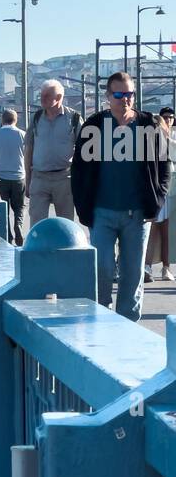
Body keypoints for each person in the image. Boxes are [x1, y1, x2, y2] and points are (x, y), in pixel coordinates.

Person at [70, 71, 170, 322]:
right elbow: (79, 170)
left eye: (129, 94)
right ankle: (101, 317)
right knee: (102, 268)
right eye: (119, 94)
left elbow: (164, 167)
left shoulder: (149, 124)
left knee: (132, 273)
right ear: (108, 96)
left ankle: (128, 323)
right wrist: (84, 207)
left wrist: (157, 199)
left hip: (137, 214)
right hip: (102, 212)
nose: (125, 99)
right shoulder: (93, 126)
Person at [24, 79, 81, 227]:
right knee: (36, 224)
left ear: (59, 97)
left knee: (66, 225)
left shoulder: (73, 118)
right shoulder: (36, 118)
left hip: (64, 178)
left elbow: (84, 150)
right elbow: (29, 149)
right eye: (42, 95)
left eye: (47, 96)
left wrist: (80, 180)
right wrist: (28, 181)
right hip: (39, 177)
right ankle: (37, 250)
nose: (42, 99)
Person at [0, 109, 27, 245]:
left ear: (2, 120)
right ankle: (19, 226)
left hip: (1, 177)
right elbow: (28, 158)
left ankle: (8, 235)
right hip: (19, 177)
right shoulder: (23, 135)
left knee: (3, 209)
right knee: (19, 207)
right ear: (15, 120)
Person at [147, 106, 176, 283]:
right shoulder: (153, 140)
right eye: (165, 117)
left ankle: (166, 267)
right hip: (160, 191)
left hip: (171, 190)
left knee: (167, 231)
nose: (169, 120)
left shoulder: (171, 140)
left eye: (172, 117)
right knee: (153, 230)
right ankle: (148, 266)